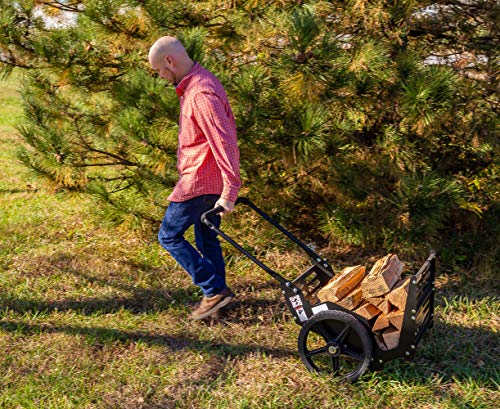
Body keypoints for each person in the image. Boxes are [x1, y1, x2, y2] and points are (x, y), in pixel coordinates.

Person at [148, 36, 241, 320]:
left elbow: (223, 141)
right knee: (207, 238)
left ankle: (213, 290)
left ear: (169, 61)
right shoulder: (199, 82)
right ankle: (217, 299)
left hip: (200, 182)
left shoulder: (201, 93)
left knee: (169, 235)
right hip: (206, 179)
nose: (161, 77)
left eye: (159, 71)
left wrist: (230, 190)